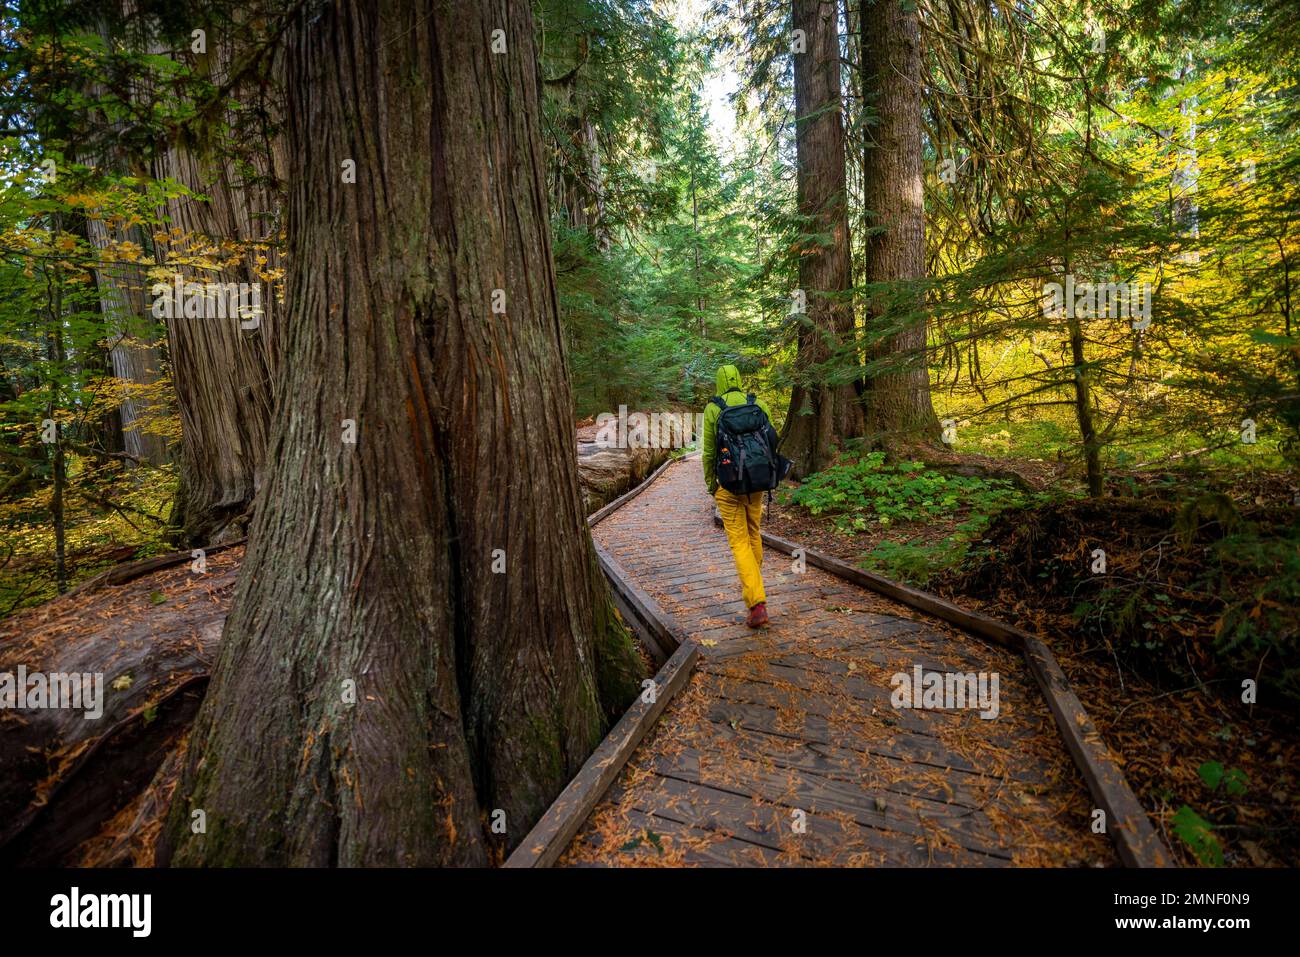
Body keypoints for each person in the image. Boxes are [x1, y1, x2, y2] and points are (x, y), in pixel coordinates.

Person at [702, 364, 775, 628]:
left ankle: (757, 604)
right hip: (756, 482)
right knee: (754, 532)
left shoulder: (713, 409)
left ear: (719, 381)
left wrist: (712, 484)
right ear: (739, 380)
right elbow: (771, 441)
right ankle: (755, 584)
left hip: (728, 485)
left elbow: (709, 453)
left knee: (739, 542)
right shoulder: (758, 404)